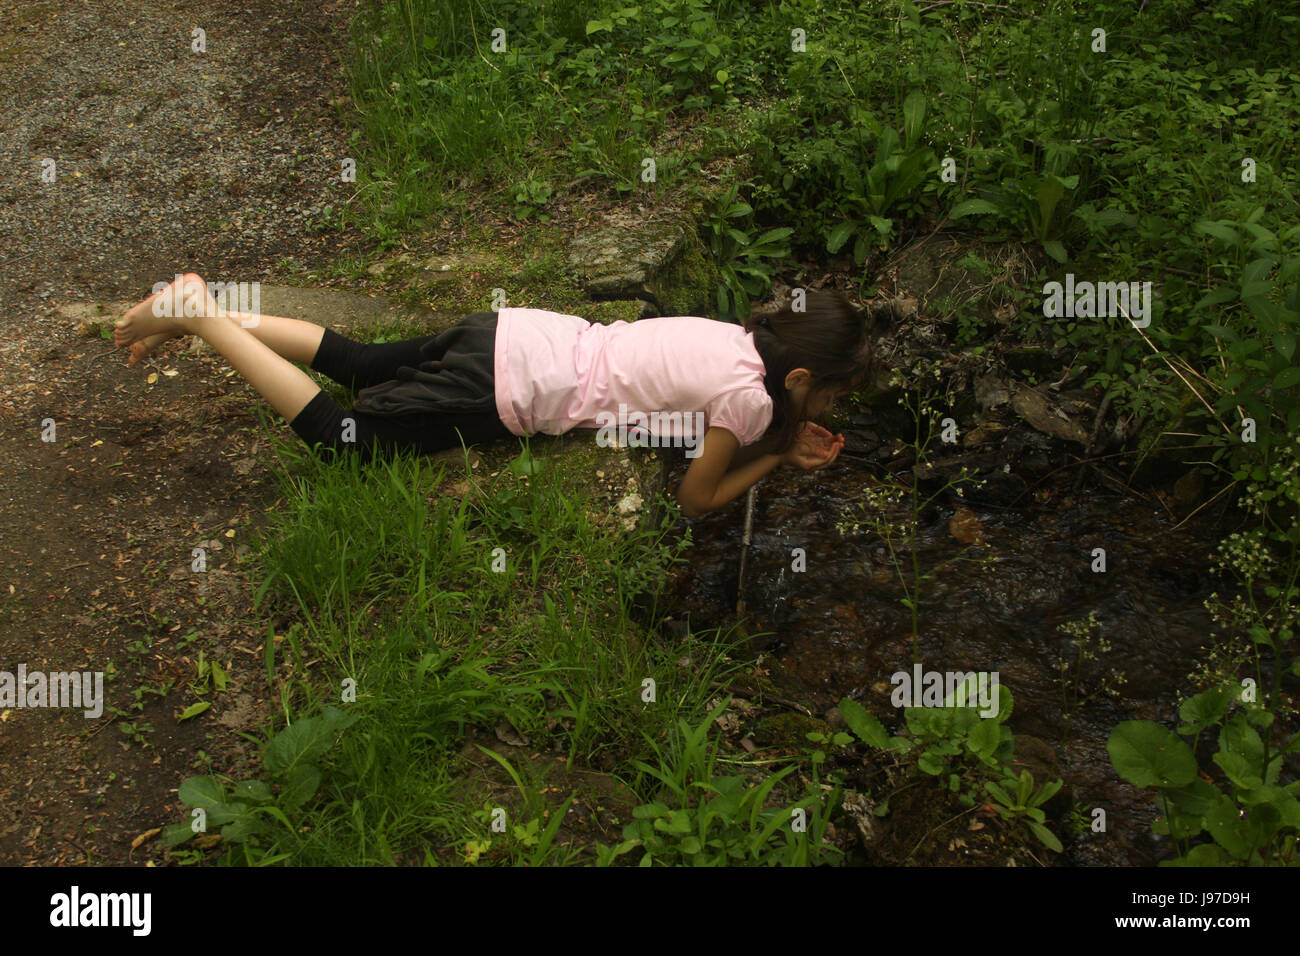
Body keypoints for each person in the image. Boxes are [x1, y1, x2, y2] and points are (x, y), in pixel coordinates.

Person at [113, 274, 891, 517]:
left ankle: (192, 312)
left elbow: (671, 414)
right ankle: (205, 316)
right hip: (515, 388)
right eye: (828, 398)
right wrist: (780, 454)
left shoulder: (734, 340)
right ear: (798, 380)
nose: (828, 412)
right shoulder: (754, 404)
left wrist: (777, 436)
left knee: (356, 361)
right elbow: (697, 497)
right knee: (343, 436)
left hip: (520, 333)